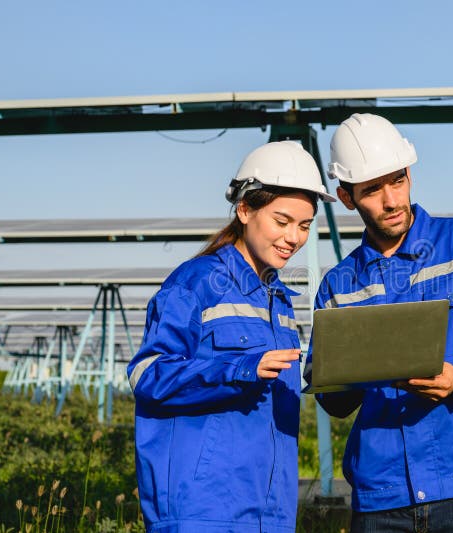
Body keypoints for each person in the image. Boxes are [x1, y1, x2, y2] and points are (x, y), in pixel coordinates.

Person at [307, 113, 453, 532]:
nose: (391, 200)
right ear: (346, 198)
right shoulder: (339, 286)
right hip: (383, 492)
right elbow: (334, 400)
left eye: (397, 180)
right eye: (372, 190)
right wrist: (340, 371)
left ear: (409, 173)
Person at [127, 140, 336, 533]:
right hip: (203, 510)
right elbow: (147, 375)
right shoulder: (196, 283)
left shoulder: (280, 301)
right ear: (244, 210)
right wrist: (239, 368)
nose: (294, 237)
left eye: (305, 226)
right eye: (282, 220)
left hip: (269, 511)